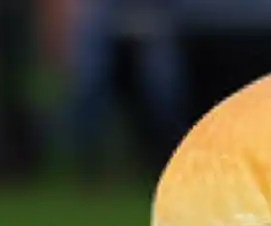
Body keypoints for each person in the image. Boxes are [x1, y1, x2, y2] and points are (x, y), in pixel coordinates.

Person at [70, 0, 187, 176]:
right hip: (106, 14)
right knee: (92, 79)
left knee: (161, 84)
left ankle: (166, 156)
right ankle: (87, 160)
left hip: (156, 11)